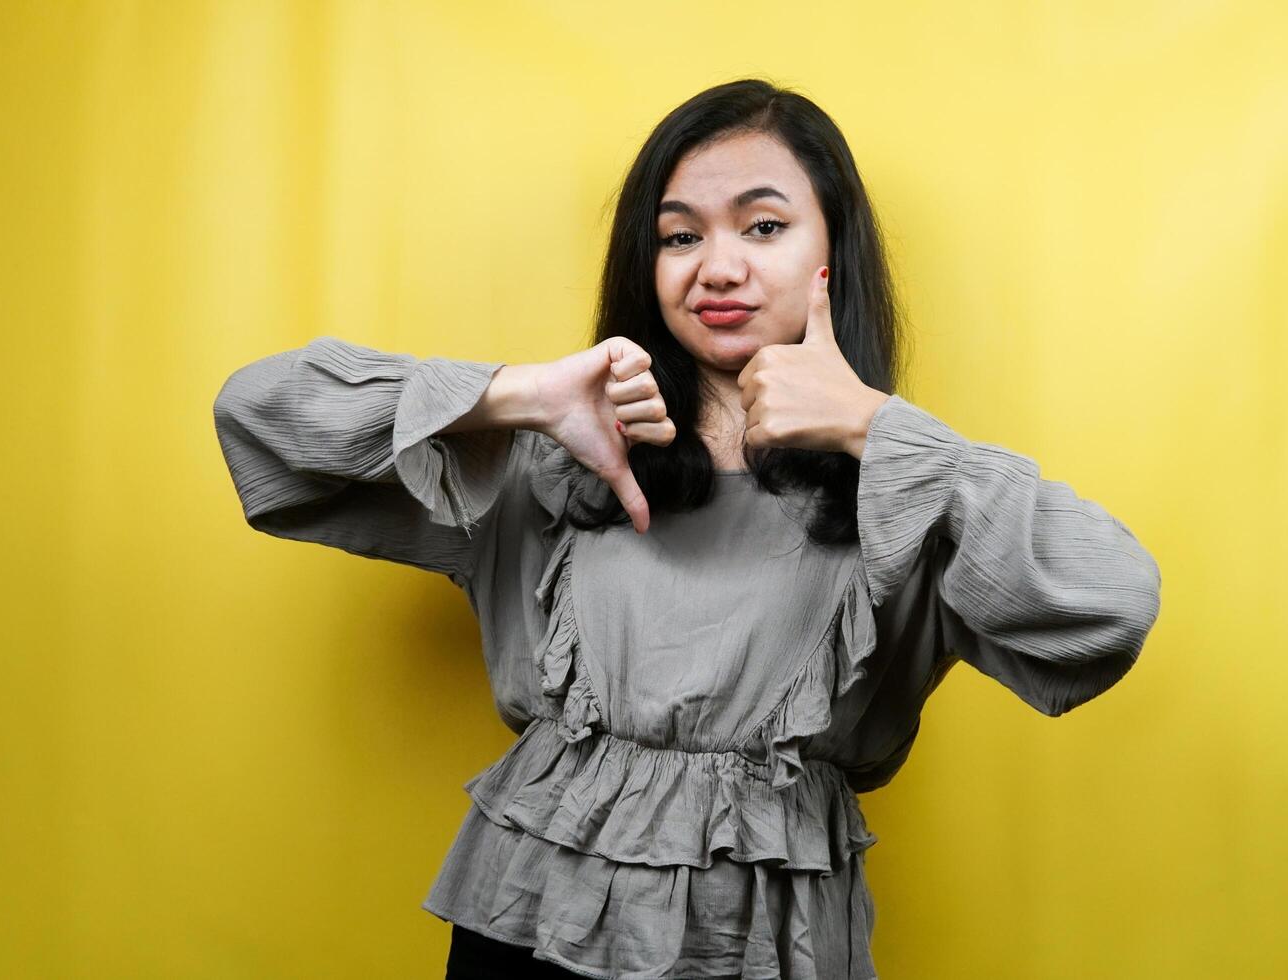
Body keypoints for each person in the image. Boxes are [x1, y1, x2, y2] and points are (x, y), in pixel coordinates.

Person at [212, 78, 1162, 980]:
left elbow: (1109, 601)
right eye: (679, 236)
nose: (719, 267)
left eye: (764, 226)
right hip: (525, 933)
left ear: (833, 254)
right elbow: (261, 418)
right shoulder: (558, 463)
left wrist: (875, 427)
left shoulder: (908, 495)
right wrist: (521, 394)